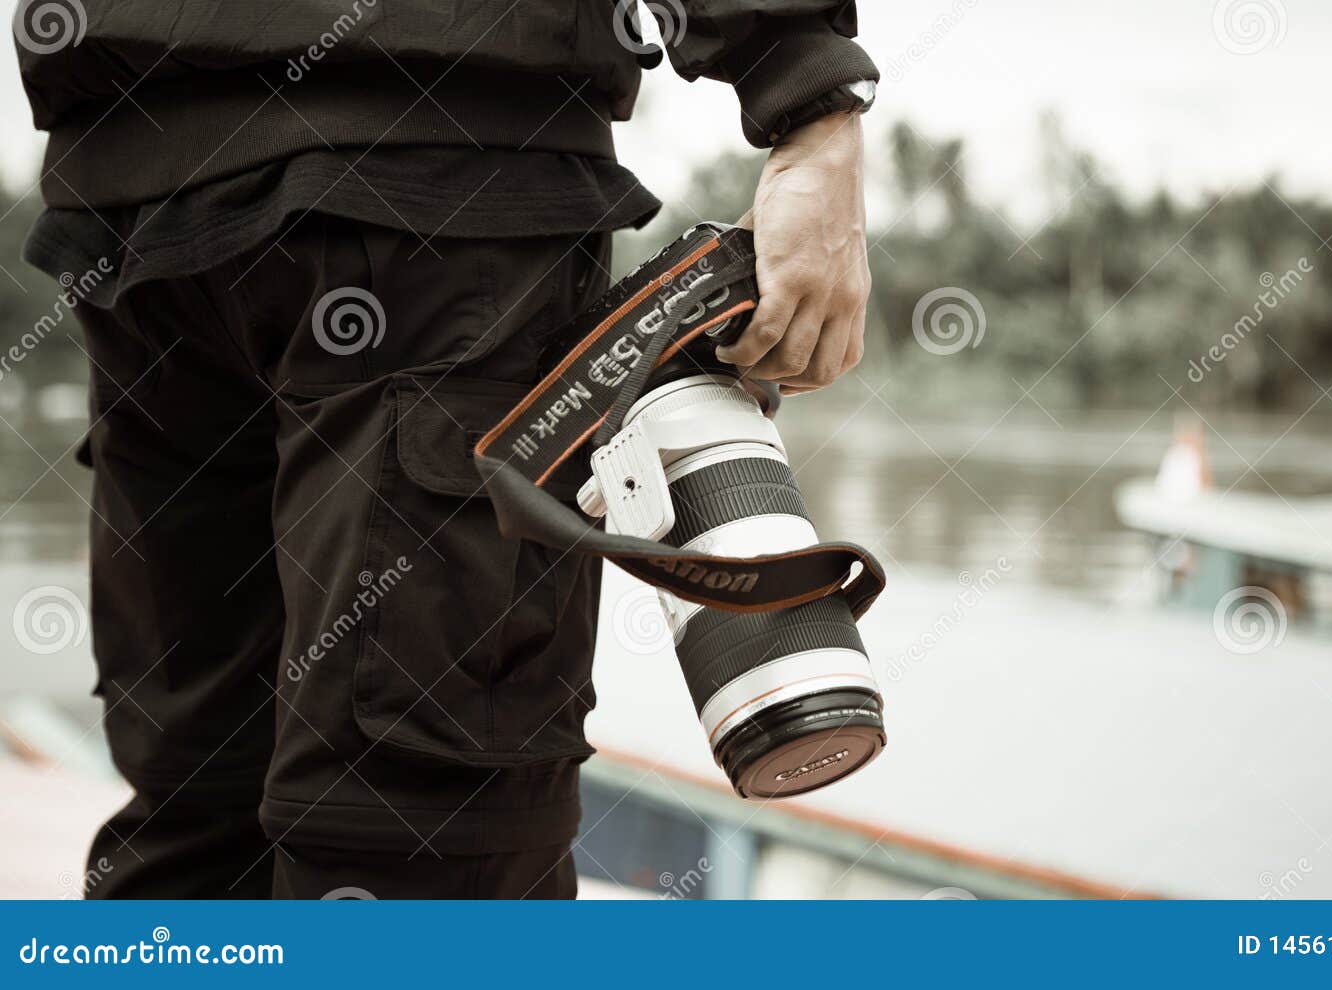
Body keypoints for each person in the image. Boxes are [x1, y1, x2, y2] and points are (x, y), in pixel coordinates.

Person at [13, 0, 877, 899]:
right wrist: (805, 90)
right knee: (426, 840)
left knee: (192, 810)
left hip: (130, 185)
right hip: (441, 168)